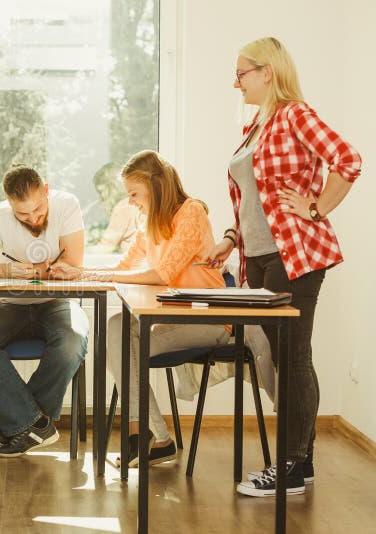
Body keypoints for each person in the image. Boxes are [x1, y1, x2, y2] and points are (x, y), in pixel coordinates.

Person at [206, 37, 361, 497]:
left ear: (267, 71)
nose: (236, 83)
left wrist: (316, 207)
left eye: (241, 74)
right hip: (257, 258)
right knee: (283, 357)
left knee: (292, 357)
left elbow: (347, 159)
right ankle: (301, 462)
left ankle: (291, 465)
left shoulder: (295, 114)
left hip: (293, 254)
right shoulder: (257, 125)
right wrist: (230, 238)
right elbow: (252, 201)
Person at [83, 150, 231, 468]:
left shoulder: (191, 212)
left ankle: (147, 438)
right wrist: (80, 273)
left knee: (125, 348)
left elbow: (163, 274)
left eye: (134, 193)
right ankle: (152, 440)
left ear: (155, 186)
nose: (131, 201)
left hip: (209, 319)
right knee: (116, 328)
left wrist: (102, 276)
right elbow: (124, 267)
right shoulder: (149, 222)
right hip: (173, 319)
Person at [0, 165, 89, 457]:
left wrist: (53, 271)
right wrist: (4, 270)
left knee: (73, 341)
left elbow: (74, 264)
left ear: (46, 191)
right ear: (9, 205)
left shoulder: (67, 205)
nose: (33, 219)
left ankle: (17, 425)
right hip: (10, 306)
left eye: (38, 209)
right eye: (23, 215)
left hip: (57, 304)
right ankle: (35, 425)